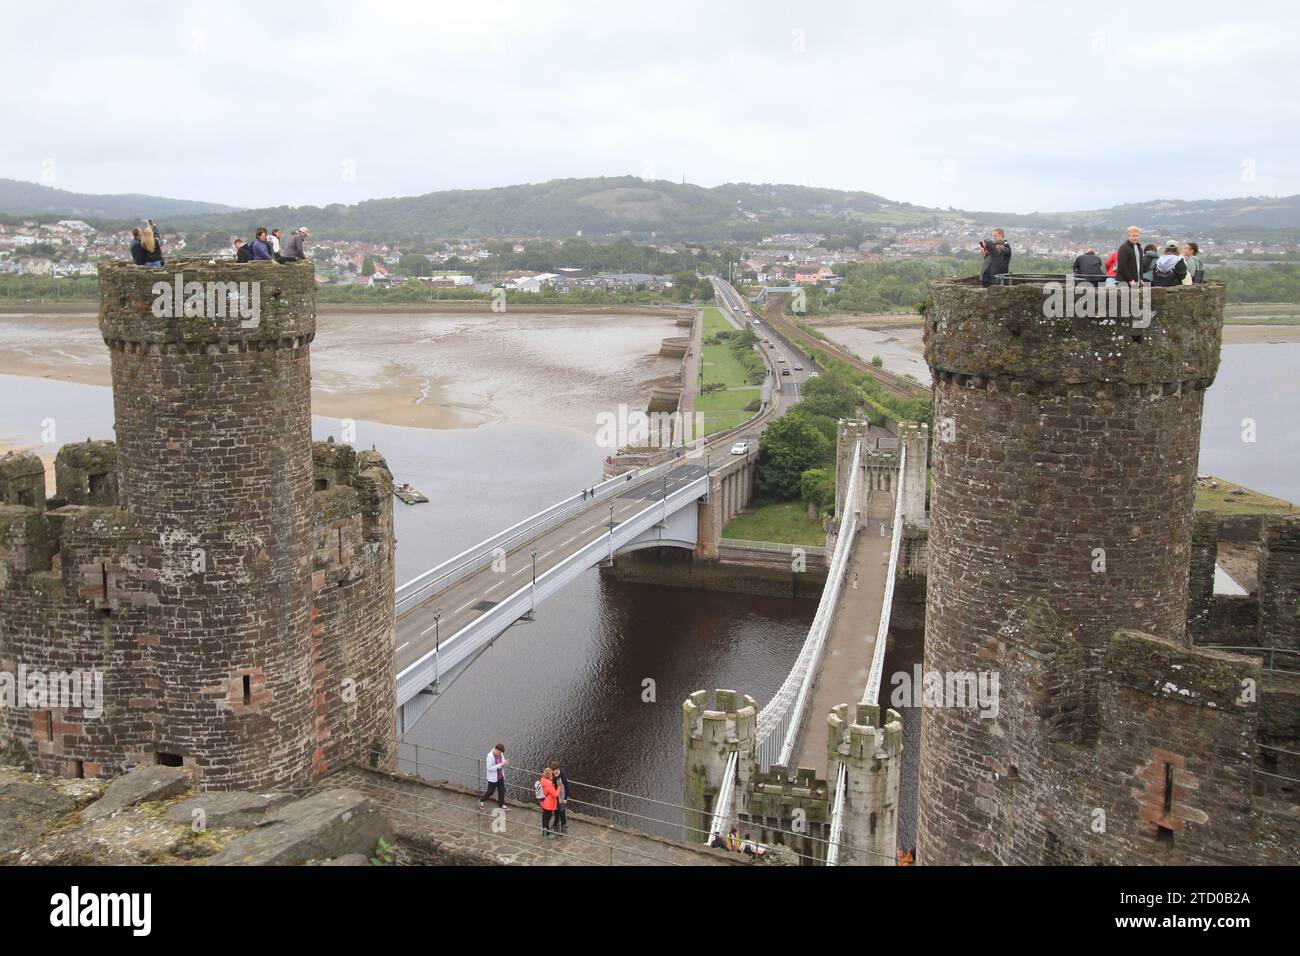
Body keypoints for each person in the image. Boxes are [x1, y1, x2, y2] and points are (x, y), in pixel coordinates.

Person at [479, 743, 509, 810]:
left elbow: (502, 760)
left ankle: (501, 804)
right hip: (493, 778)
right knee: (490, 792)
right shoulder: (490, 756)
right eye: (500, 752)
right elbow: (489, 769)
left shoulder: (500, 754)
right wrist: (500, 764)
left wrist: (504, 763)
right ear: (496, 750)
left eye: (501, 752)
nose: (500, 753)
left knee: (502, 791)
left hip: (500, 776)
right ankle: (482, 800)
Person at [538, 767, 561, 838]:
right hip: (549, 804)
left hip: (544, 801)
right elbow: (555, 794)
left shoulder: (542, 780)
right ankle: (547, 833)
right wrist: (559, 788)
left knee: (544, 817)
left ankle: (544, 831)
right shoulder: (548, 784)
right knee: (547, 818)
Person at [552, 761, 571, 834]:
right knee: (556, 810)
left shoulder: (563, 776)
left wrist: (565, 798)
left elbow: (567, 787)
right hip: (555, 796)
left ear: (558, 769)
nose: (555, 772)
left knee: (562, 811)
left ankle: (564, 824)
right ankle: (556, 823)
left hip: (562, 796)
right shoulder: (553, 776)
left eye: (556, 770)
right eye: (553, 770)